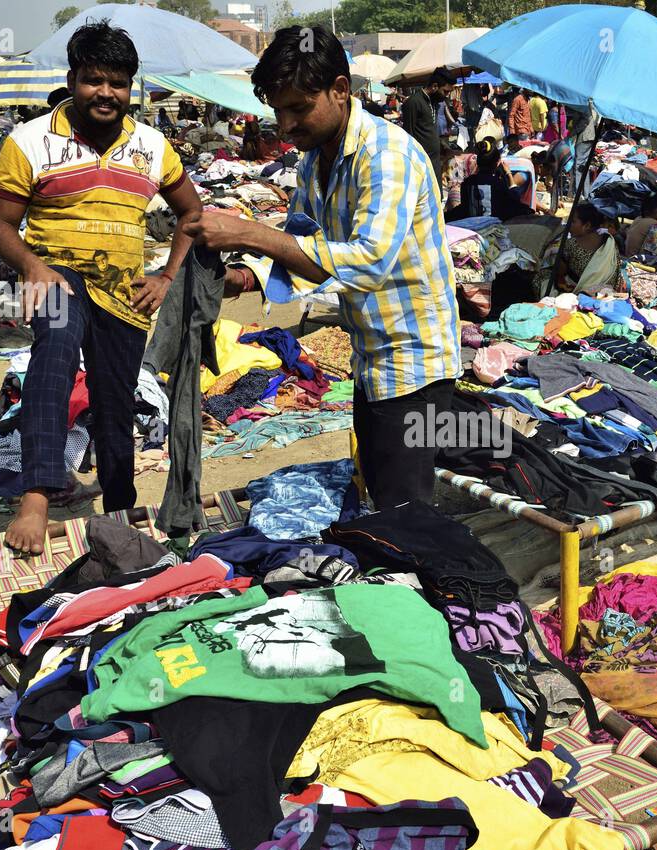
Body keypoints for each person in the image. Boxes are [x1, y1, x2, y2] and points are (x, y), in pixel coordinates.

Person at [185, 25, 460, 510]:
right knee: (381, 489)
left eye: (298, 108)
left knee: (408, 509)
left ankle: (431, 583)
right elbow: (306, 243)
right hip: (372, 361)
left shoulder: (386, 155)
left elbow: (366, 261)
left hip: (416, 367)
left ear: (339, 89)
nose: (286, 125)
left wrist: (250, 233)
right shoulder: (315, 160)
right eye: (278, 110)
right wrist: (238, 278)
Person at [0, 20, 204, 555]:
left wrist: (167, 275)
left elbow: (192, 213)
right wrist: (32, 267)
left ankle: (119, 504)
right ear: (72, 79)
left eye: (118, 82)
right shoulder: (30, 141)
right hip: (56, 276)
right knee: (52, 364)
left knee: (114, 400)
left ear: (132, 87)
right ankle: (36, 496)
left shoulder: (153, 147)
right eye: (93, 80)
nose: (106, 93)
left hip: (123, 291)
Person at [555, 202, 620, 293]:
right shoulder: (610, 241)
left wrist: (558, 256)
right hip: (606, 294)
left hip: (580, 293)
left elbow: (561, 271)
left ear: (587, 226)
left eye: (573, 221)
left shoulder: (572, 243)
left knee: (543, 275)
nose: (569, 224)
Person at [402, 69, 452, 182]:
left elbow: (428, 131)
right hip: (421, 167)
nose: (447, 96)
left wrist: (442, 145)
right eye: (445, 91)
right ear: (435, 86)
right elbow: (407, 136)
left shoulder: (434, 103)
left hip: (434, 164)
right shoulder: (414, 102)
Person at [453, 137, 519, 221]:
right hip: (493, 226)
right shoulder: (498, 183)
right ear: (497, 163)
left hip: (471, 225)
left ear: (478, 162)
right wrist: (509, 174)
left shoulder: (468, 182)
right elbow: (515, 200)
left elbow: (464, 207)